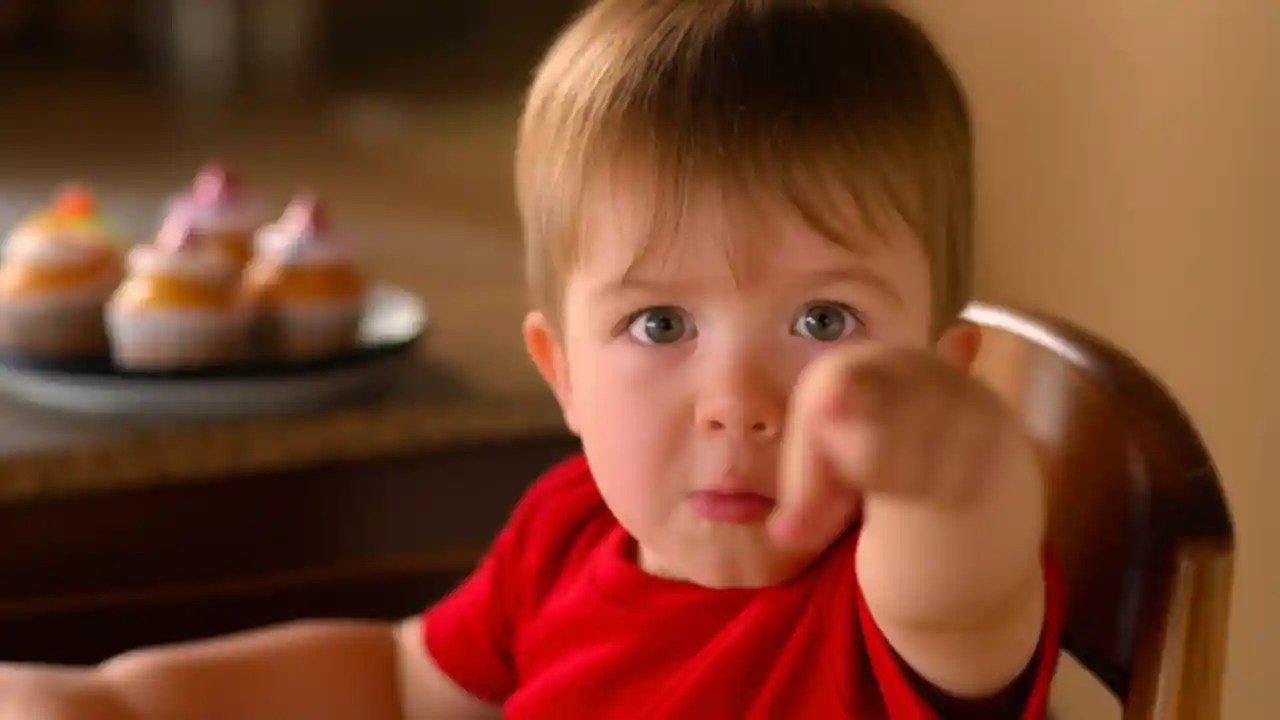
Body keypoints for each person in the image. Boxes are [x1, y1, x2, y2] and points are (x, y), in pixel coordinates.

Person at [0, 1, 1063, 717]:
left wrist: (949, 460)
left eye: (824, 324)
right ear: (560, 372)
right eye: (659, 326)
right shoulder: (566, 534)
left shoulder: (887, 608)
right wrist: (124, 699)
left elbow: (965, 575)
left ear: (945, 367)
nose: (735, 405)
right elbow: (398, 677)